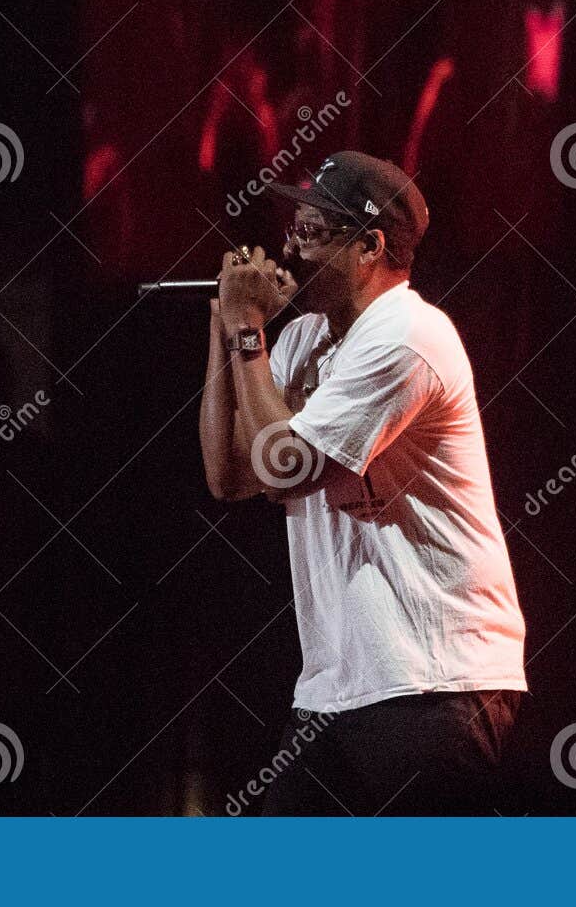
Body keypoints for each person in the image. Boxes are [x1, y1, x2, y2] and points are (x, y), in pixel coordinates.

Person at [198, 151, 527, 815]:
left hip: (433, 683)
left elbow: (282, 462)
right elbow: (230, 475)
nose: (289, 244)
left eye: (312, 231)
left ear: (369, 245)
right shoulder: (305, 340)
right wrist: (222, 328)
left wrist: (247, 330)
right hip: (335, 690)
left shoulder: (406, 334)